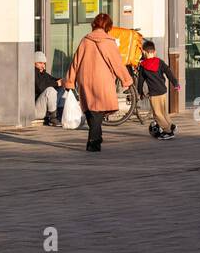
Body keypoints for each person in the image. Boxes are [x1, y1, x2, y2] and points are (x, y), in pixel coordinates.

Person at [63, 13, 132, 152]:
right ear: (108, 26)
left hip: (85, 79)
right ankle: (93, 141)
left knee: (90, 109)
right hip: (103, 81)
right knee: (98, 110)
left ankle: (97, 137)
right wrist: (126, 79)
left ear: (94, 24)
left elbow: (75, 62)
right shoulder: (109, 42)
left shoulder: (85, 40)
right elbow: (117, 63)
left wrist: (70, 81)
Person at [137, 39, 180, 140]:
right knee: (164, 112)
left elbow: (140, 81)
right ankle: (171, 126)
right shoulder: (160, 62)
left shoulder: (143, 65)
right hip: (163, 92)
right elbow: (169, 72)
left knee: (157, 114)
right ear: (154, 52)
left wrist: (140, 92)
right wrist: (175, 83)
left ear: (144, 52)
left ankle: (168, 131)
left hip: (154, 94)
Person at [34, 52, 64, 126]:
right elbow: (40, 87)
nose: (43, 66)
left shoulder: (43, 73)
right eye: (40, 63)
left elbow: (53, 80)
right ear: (33, 63)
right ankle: (52, 118)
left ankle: (59, 115)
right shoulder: (32, 73)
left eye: (44, 63)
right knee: (50, 90)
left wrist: (64, 81)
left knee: (62, 88)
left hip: (43, 109)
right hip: (34, 110)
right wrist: (57, 83)